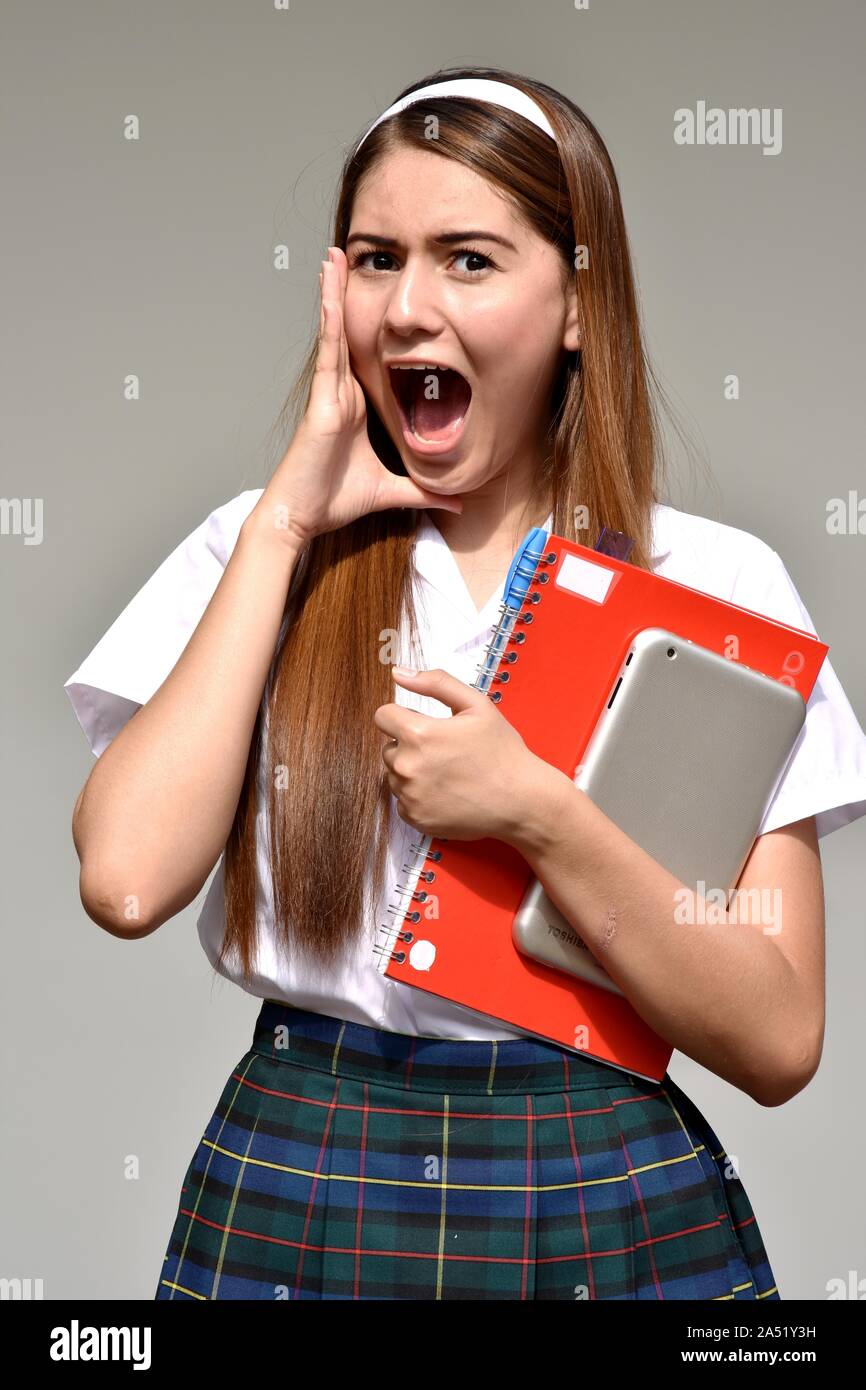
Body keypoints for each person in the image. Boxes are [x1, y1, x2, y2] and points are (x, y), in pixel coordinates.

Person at [65, 66, 866, 1301]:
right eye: (375, 259)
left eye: (469, 260)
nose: (406, 308)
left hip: (601, 1181)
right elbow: (123, 881)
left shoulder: (714, 580)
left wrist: (536, 813)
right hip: (304, 1168)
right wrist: (285, 525)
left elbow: (775, 1036)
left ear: (576, 307)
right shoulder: (257, 548)